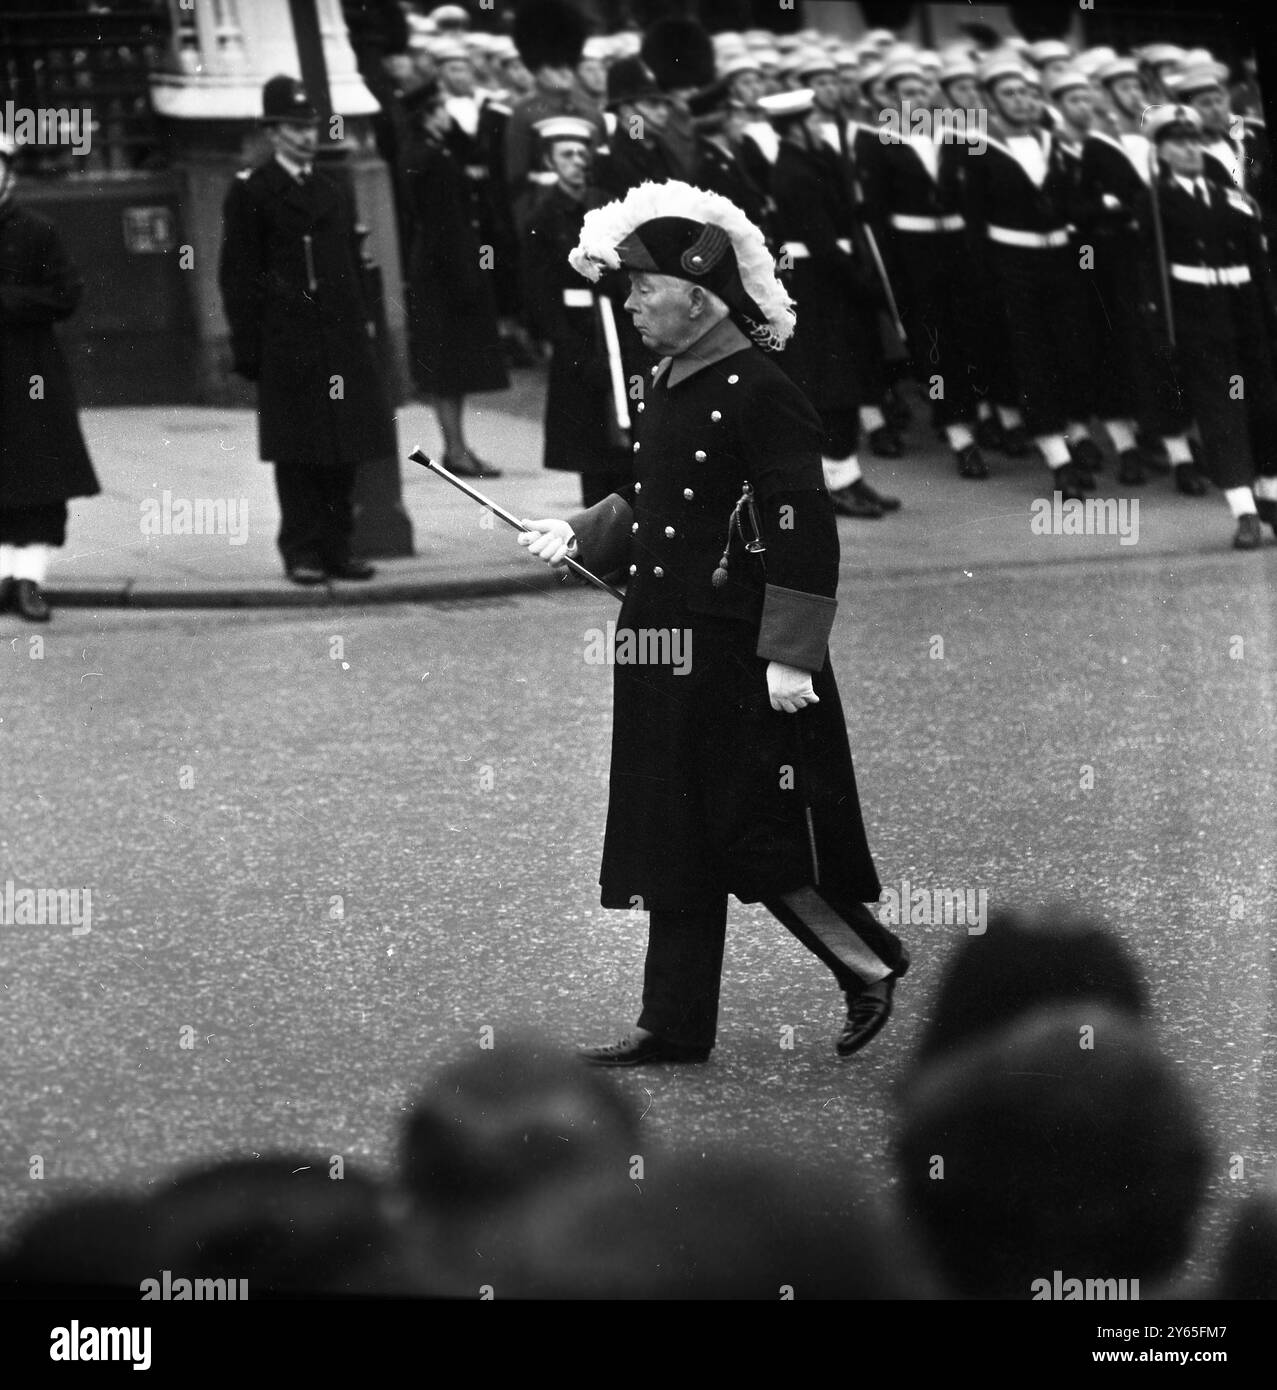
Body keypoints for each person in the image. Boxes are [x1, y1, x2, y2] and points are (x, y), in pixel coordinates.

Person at [518, 180, 910, 1067]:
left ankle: (866, 961)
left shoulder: (761, 390)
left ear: (695, 297)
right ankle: (674, 1023)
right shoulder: (671, 379)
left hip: (737, 647)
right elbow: (661, 504)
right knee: (673, 829)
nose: (629, 304)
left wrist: (791, 656)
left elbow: (799, 525)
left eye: (641, 288)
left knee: (748, 827)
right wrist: (578, 531)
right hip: (660, 635)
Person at [218, 75, 394, 585]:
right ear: (272, 132)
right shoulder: (252, 190)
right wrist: (249, 348)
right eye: (293, 128)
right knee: (298, 453)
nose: (304, 136)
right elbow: (238, 276)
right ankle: (301, 551)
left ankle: (339, 548)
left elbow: (351, 266)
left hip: (339, 342)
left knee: (343, 449)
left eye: (309, 126)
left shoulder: (330, 188)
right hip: (288, 343)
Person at [1144, 103, 1277, 549]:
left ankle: (1271, 495)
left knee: (1263, 405)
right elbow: (1149, 271)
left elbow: (1258, 265)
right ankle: (1244, 511)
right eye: (1177, 142)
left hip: (1245, 315)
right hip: (1198, 318)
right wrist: (1161, 329)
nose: (1189, 149)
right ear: (1161, 151)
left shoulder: (1231, 197)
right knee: (1222, 414)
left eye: (1193, 140)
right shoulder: (1157, 203)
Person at [763, 89, 900, 517]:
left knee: (847, 382)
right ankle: (837, 479)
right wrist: (865, 285)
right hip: (823, 285)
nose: (820, 127)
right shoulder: (794, 173)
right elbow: (822, 243)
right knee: (835, 384)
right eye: (813, 121)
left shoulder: (813, 162)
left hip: (832, 281)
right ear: (797, 126)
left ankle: (847, 474)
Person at [0, 128, 100, 622]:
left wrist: (9, 302)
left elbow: (67, 294)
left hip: (29, 371)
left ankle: (31, 579)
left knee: (38, 478)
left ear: (9, 174)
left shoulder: (36, 230)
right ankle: (3, 576)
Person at [399, 78, 509, 479]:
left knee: (453, 368)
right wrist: (467, 278)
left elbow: (471, 151)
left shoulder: (431, 151)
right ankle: (455, 449)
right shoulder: (433, 159)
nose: (449, 115)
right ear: (428, 115)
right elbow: (447, 224)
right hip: (447, 271)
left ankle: (458, 446)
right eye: (441, 109)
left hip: (439, 268)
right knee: (448, 368)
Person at [521, 116, 633, 507]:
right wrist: (565, 343)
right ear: (550, 163)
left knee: (629, 441)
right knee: (592, 445)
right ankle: (599, 533)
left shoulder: (607, 207)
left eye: (582, 153)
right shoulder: (542, 217)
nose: (576, 161)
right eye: (565, 155)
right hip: (578, 338)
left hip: (618, 329)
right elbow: (539, 292)